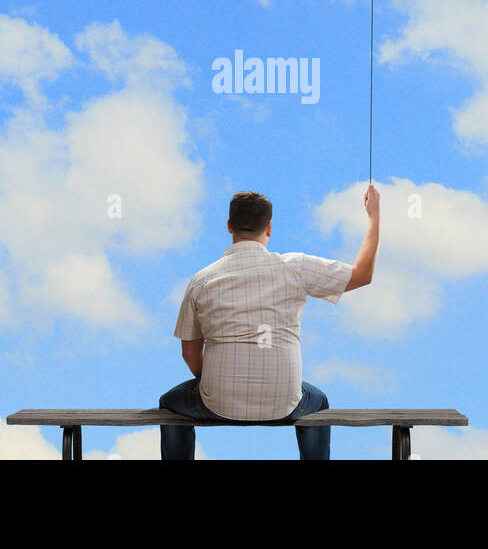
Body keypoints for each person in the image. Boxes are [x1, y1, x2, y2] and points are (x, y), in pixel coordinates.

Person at [159, 185, 380, 460]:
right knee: (318, 402)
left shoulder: (202, 280)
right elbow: (362, 275)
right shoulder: (296, 268)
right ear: (269, 227)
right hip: (285, 402)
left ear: (229, 226)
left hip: (218, 401)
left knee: (169, 403)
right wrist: (374, 216)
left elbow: (189, 352)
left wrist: (216, 382)